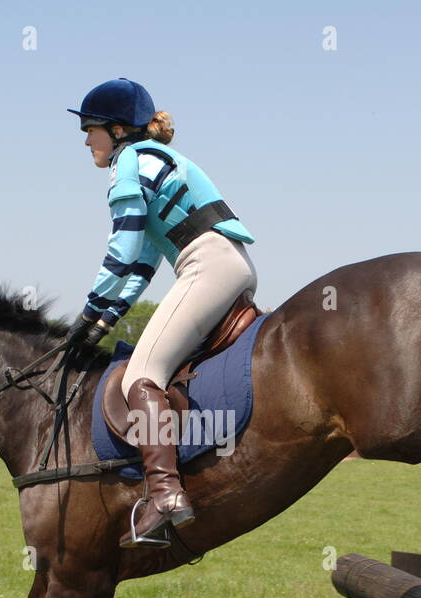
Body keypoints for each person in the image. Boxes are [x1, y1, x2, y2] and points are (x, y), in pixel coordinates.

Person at [65, 77, 257, 549]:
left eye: (90, 130)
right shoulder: (160, 159)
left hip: (206, 265)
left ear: (116, 129)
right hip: (229, 263)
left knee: (140, 377)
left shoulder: (129, 162)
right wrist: (107, 318)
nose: (86, 140)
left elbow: (124, 243)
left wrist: (88, 311)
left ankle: (165, 495)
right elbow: (145, 262)